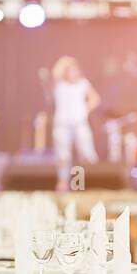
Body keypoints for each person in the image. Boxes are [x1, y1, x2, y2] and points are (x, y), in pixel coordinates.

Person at [50, 56, 99, 190]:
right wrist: (67, 61)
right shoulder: (59, 84)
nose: (72, 73)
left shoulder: (83, 84)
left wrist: (85, 110)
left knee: (87, 153)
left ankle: (83, 183)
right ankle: (63, 182)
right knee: (62, 155)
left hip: (79, 123)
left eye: (74, 70)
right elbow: (55, 72)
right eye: (69, 70)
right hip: (62, 124)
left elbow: (95, 98)